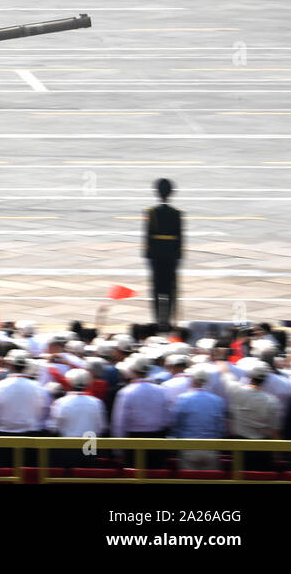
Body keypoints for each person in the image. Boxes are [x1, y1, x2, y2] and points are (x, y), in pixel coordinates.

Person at [111, 355, 170, 468]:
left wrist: (118, 449)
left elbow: (119, 423)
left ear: (132, 370)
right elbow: (166, 419)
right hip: (157, 439)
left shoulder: (126, 392)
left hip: (134, 441)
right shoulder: (161, 390)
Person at [45, 368, 107, 467]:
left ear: (69, 383)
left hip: (68, 445)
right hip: (90, 445)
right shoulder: (97, 403)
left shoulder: (61, 402)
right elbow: (101, 427)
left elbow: (52, 427)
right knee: (88, 475)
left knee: (69, 476)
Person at [168, 365, 226, 471]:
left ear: (192, 381)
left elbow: (176, 424)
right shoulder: (217, 400)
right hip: (210, 447)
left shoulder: (182, 399)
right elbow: (220, 427)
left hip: (189, 447)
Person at [143, 178, 183, 328]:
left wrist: (148, 257)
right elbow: (180, 238)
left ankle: (157, 319)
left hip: (156, 257)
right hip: (171, 257)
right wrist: (178, 257)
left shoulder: (151, 213)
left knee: (157, 289)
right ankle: (168, 320)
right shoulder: (177, 213)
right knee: (170, 289)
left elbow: (147, 237)